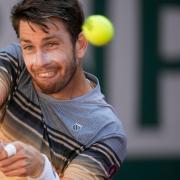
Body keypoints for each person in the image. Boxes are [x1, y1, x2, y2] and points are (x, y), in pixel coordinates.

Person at [0, 0, 127, 179]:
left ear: (80, 45)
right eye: (28, 47)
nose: (39, 62)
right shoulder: (15, 61)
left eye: (51, 44)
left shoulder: (106, 132)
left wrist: (40, 169)